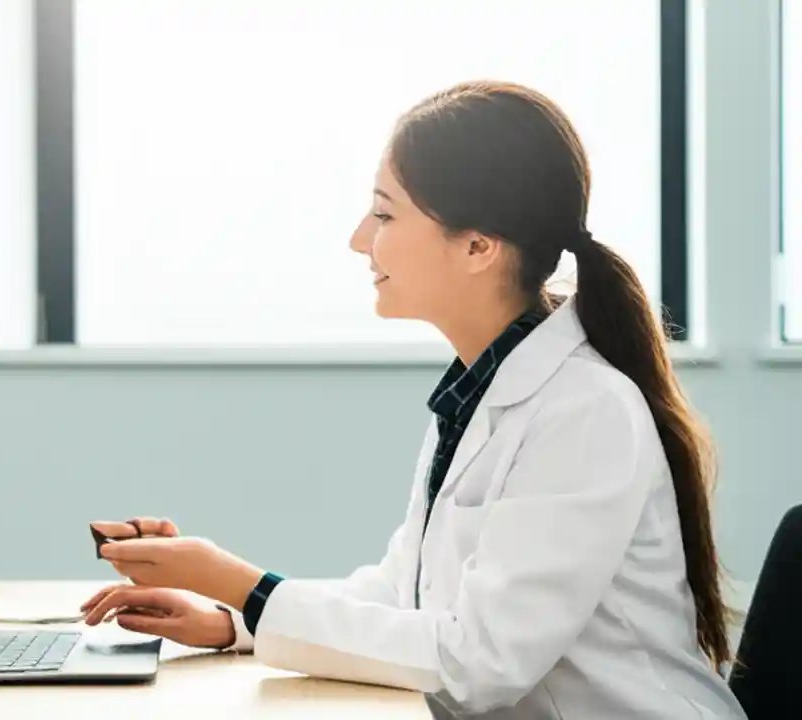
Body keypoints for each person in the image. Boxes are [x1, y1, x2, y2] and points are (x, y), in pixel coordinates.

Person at [80, 81, 747, 718]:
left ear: (479, 246)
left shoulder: (585, 412)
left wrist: (243, 584)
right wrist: (231, 617)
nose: (359, 239)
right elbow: (407, 594)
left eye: (384, 213)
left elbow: (480, 664)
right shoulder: (482, 388)